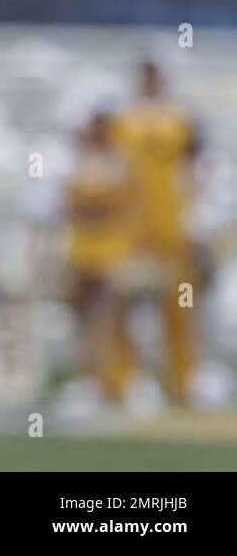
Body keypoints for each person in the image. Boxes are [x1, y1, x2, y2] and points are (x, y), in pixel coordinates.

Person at [111, 61, 199, 405]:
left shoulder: (180, 117)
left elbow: (194, 168)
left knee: (180, 302)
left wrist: (194, 217)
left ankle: (182, 381)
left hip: (171, 227)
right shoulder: (123, 118)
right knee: (124, 304)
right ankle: (122, 380)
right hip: (132, 227)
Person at [64, 111, 136, 404]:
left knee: (111, 317)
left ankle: (120, 379)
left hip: (110, 249)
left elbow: (125, 208)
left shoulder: (119, 162)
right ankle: (87, 380)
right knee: (84, 318)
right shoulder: (79, 161)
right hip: (83, 249)